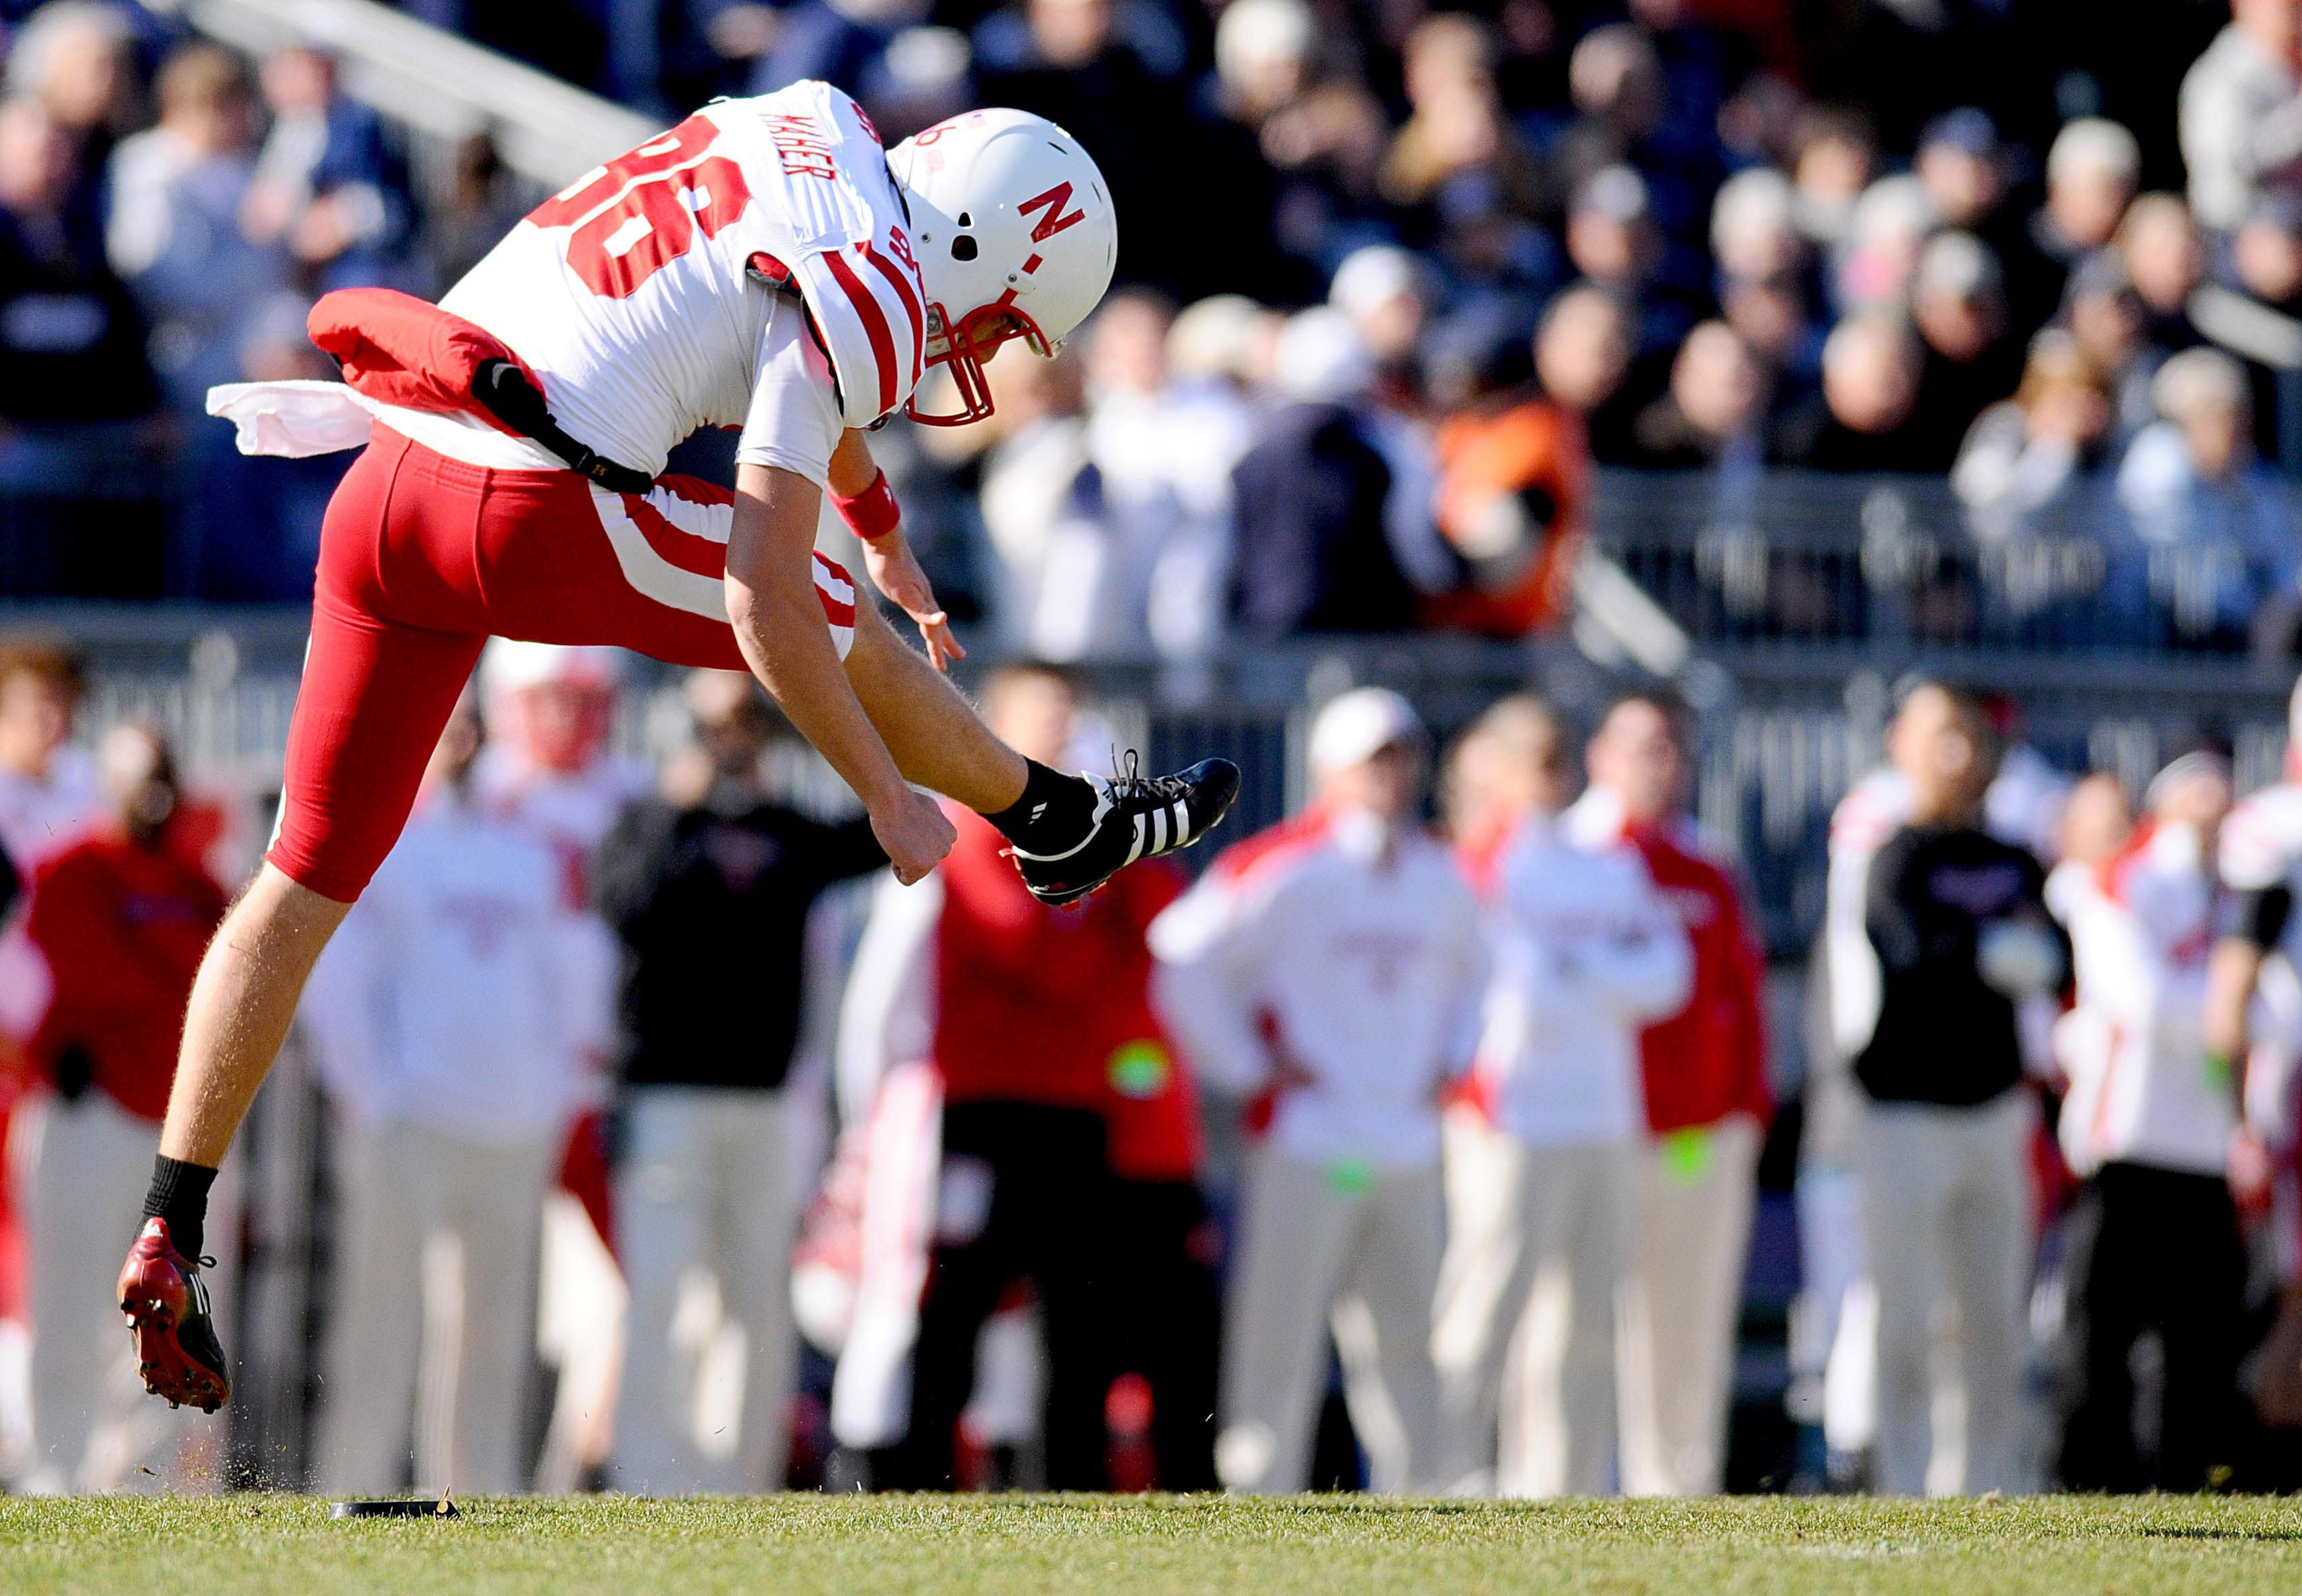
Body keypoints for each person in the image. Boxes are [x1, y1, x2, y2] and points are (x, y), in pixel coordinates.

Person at [128, 84, 1239, 1411]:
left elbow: (779, 342)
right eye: (1000, 318)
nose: (980, 354)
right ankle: (1055, 821)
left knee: (297, 878)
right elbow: (767, 596)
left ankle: (170, 1218)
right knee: (829, 607)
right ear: (968, 246)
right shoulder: (879, 283)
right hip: (522, 499)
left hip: (387, 485)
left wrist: (880, 518)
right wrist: (885, 795)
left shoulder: (815, 125)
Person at [841, 663, 1202, 1489]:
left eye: (1066, 713)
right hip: (983, 1109)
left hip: (1074, 1111)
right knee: (957, 1300)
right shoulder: (960, 836)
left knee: (1074, 1311)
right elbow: (1013, 948)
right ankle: (918, 1475)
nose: (1059, 728)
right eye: (1041, 712)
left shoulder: (1107, 851)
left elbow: (1166, 927)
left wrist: (1131, 840)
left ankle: (1066, 1479)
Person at [1152, 688, 1484, 1494]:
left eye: (1400, 756)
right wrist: (1250, 1067)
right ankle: (1259, 1487)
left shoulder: (1440, 872)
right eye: (1372, 759)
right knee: (1280, 1331)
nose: (1389, 776)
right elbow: (1180, 961)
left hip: (1403, 1139)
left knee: (1410, 1332)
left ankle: (1425, 1491)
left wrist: (1452, 1058)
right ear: (1328, 769)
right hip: (1309, 1137)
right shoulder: (1282, 865)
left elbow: (1482, 975)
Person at [595, 669, 886, 1494]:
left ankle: (741, 1474)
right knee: (660, 1289)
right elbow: (618, 901)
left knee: (756, 1291)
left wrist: (834, 720)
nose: (731, 742)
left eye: (748, 724)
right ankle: (648, 1474)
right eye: (715, 725)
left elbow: (880, 836)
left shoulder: (788, 830)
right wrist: (675, 802)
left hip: (762, 1100)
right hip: (664, 1096)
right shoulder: (649, 822)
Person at [304, 695, 578, 1496]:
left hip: (513, 1121)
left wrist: (551, 1092)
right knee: (382, 1321)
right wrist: (370, 1095)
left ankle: (477, 1493)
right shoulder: (382, 846)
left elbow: (558, 982)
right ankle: (354, 1485)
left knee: (493, 1332)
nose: (456, 741)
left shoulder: (526, 854)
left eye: (468, 726)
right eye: (441, 724)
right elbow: (338, 978)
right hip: (411, 1118)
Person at [1431, 695, 1689, 1497]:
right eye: (1531, 759)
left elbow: (1668, 977)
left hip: (1602, 1115)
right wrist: (1598, 975)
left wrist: (1580, 973)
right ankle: (1439, 1471)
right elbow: (1520, 991)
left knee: (1584, 1321)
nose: (1546, 776)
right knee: (1482, 1305)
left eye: (1555, 759)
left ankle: (1562, 1485)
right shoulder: (1479, 865)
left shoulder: (1604, 864)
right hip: (1511, 1117)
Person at [1848, 682, 2065, 1496]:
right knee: (1903, 1314)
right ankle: (1900, 1486)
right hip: (1905, 1110)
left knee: (1991, 1320)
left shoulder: (2011, 857)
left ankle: (1986, 1483)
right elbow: (1910, 954)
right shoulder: (1897, 855)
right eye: (1936, 735)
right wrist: (1995, 950)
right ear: (1901, 746)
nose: (1954, 754)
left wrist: (1994, 950)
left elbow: (2060, 956)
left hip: (1991, 1106)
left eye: (1966, 736)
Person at [1565, 693, 1770, 1497]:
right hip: (1592, 1128)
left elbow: (1739, 990)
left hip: (1695, 1131)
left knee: (1685, 1317)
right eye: (1642, 747)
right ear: (1599, 756)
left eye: (1671, 750)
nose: (1661, 766)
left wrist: (1743, 1108)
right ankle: (1561, 1488)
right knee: (1571, 1324)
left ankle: (1677, 1484)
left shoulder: (1706, 865)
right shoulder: (1570, 859)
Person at [18, 725, 227, 1490]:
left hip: (173, 1129)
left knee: (166, 1310)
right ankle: (55, 1468)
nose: (154, 794)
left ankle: (141, 1475)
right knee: (69, 1301)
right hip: (91, 1112)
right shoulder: (72, 868)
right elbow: (106, 976)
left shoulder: (198, 886)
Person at [2052, 750, 2249, 1491]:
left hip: (2206, 1145)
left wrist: (2226, 1005)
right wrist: (2227, 999)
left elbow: (2273, 1008)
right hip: (2126, 1139)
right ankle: (2087, 1483)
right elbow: (2137, 996)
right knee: (2099, 1331)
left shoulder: (2236, 889)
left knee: (2195, 1338)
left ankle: (2188, 1480)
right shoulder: (2123, 881)